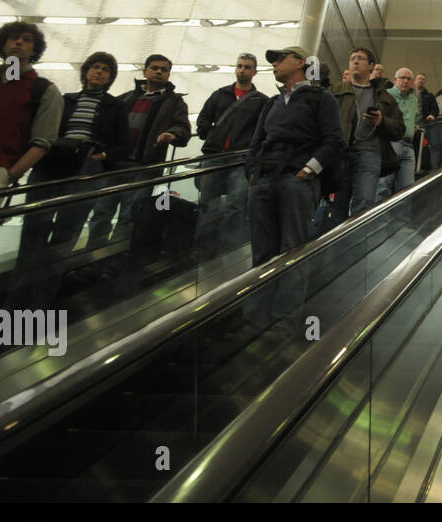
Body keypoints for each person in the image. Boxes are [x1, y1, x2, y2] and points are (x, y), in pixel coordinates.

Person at [11, 52, 131, 308]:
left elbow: (124, 146)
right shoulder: (65, 100)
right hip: (51, 163)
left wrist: (102, 156)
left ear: (111, 78)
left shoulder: (116, 107)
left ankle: (38, 304)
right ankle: (15, 301)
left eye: (105, 70)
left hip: (86, 167)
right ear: (85, 71)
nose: (99, 72)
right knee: (33, 231)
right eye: (95, 67)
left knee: (64, 237)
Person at [243, 46, 344, 331]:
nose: (274, 63)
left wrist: (307, 172)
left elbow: (334, 141)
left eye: (280, 58)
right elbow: (256, 141)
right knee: (262, 252)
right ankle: (254, 319)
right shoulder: (272, 102)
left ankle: (285, 322)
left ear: (301, 62)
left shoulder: (320, 98)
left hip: (297, 181)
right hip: (264, 179)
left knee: (292, 251)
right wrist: (251, 172)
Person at [0, 22, 63, 298]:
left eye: (27, 40)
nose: (18, 43)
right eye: (13, 38)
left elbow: (43, 141)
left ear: (35, 49)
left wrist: (9, 175)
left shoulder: (44, 90)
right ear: (3, 43)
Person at [85, 54, 191, 251]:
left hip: (145, 166)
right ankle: (91, 257)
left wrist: (172, 133)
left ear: (169, 75)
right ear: (145, 72)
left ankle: (113, 262)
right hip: (115, 164)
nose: (159, 71)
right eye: (154, 68)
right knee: (101, 212)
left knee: (129, 216)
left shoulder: (174, 102)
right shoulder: (125, 98)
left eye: (164, 69)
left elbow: (183, 128)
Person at [195, 53, 268, 254]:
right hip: (214, 156)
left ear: (254, 72)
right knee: (208, 202)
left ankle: (229, 249)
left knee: (236, 205)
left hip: (241, 159)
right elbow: (203, 119)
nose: (242, 70)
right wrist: (211, 135)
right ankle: (204, 249)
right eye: (239, 66)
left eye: (247, 67)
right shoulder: (220, 95)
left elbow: (263, 131)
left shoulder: (261, 101)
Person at [325, 49, 403, 225]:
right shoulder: (334, 91)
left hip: (369, 154)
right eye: (352, 59)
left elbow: (399, 130)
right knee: (337, 205)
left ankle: (356, 250)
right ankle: (333, 250)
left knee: (364, 204)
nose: (355, 62)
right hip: (340, 155)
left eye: (360, 59)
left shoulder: (385, 97)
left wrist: (382, 121)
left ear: (371, 66)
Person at [378, 65, 419, 197]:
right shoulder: (386, 95)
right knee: (383, 186)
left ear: (413, 83)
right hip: (391, 144)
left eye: (408, 79)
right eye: (402, 78)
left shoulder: (414, 99)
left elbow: (415, 117)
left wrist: (414, 125)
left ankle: (402, 219)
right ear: (395, 80)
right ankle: (380, 218)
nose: (405, 81)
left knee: (406, 191)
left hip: (409, 147)